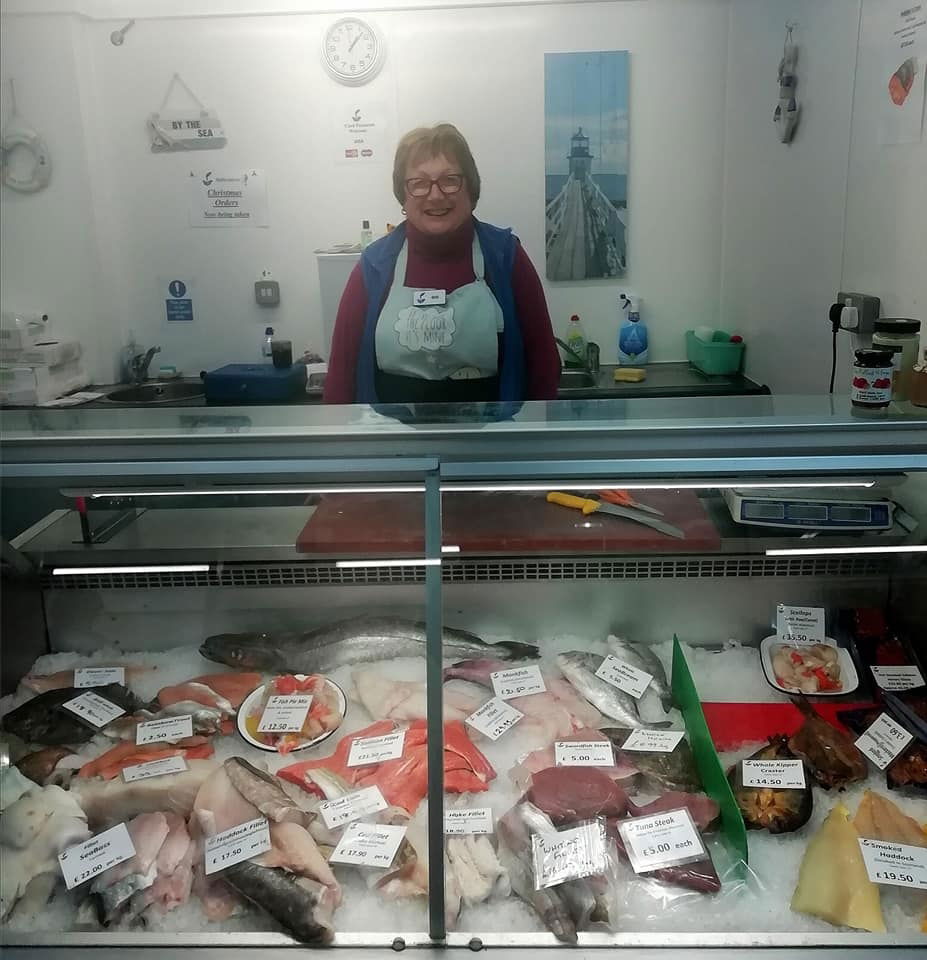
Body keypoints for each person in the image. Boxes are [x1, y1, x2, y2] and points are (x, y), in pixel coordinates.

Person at [324, 124, 560, 404]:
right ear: (403, 195)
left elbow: (544, 364)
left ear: (470, 188)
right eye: (419, 183)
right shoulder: (374, 267)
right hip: (393, 444)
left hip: (493, 442)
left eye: (450, 180)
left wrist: (532, 440)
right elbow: (340, 376)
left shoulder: (506, 258)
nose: (435, 195)